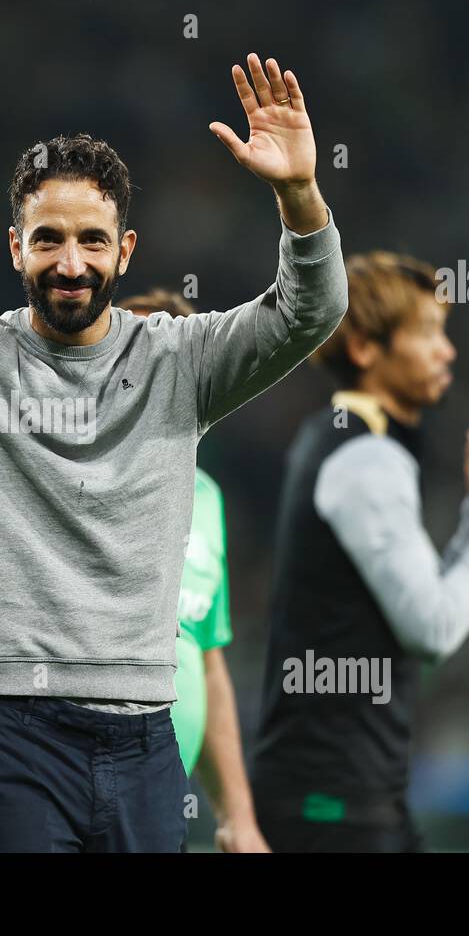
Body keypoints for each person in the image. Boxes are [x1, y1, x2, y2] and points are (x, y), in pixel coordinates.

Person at [0, 0, 347, 852]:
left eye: (94, 242)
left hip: (145, 740)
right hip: (4, 736)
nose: (72, 264)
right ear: (18, 247)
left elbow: (311, 309)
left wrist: (299, 192)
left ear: (126, 251)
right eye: (50, 240)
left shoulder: (182, 363)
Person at [247, 251, 469, 851]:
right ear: (366, 348)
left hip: (336, 800)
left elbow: (418, 596)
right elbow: (434, 627)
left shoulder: (336, 441)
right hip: (335, 811)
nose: (447, 351)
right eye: (427, 333)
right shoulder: (368, 460)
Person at [122, 289, 267, 853]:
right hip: (71, 796)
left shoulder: (205, 497)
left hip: (159, 808)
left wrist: (238, 817)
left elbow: (207, 658)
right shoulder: (61, 480)